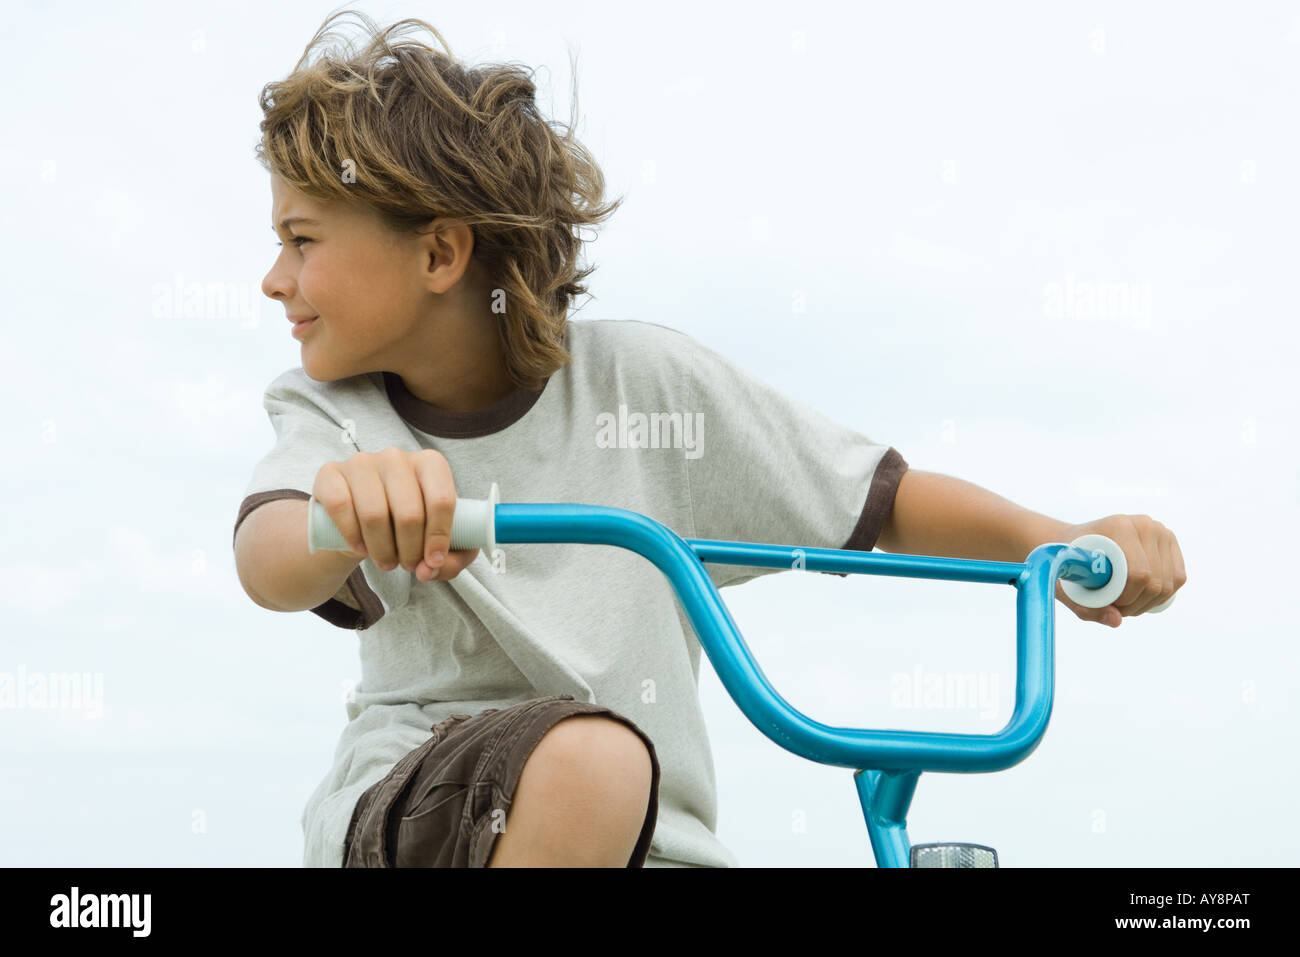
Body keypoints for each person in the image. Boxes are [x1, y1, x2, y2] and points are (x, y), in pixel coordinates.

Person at [233, 10, 1184, 869]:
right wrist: (346, 510)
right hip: (419, 814)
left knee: (615, 777)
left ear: (442, 253)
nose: (276, 278)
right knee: (592, 760)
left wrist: (1058, 547)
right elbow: (270, 555)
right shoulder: (338, 418)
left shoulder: (645, 387)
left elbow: (880, 502)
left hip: (659, 842)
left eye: (301, 239)